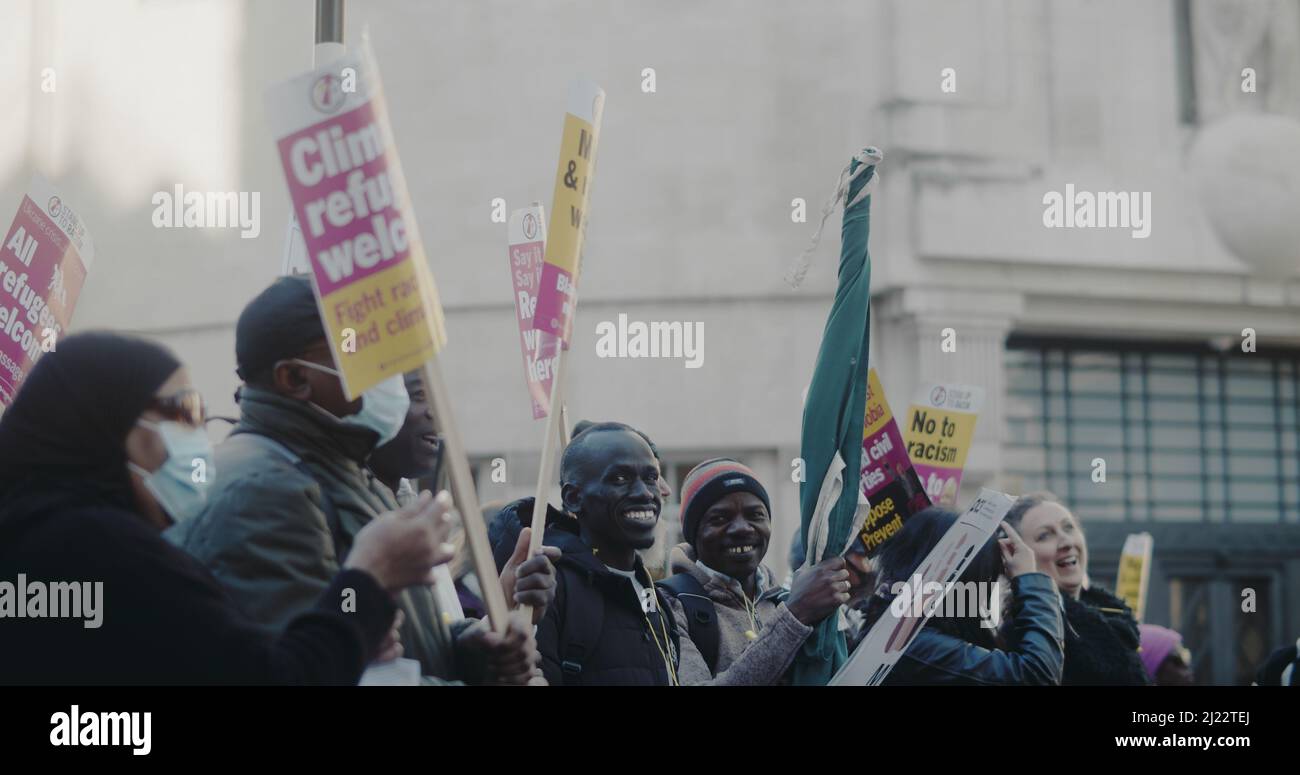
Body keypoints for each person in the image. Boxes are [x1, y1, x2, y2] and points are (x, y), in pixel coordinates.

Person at [0, 331, 452, 685]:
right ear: (108, 424)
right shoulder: (101, 549)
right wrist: (368, 579)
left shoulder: (37, 536)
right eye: (182, 411)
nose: (198, 431)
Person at [171, 275, 548, 685]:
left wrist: (469, 650)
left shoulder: (344, 468)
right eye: (360, 352)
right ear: (295, 379)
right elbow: (311, 669)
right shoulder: (264, 491)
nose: (386, 374)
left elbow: (388, 643)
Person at [505, 422, 681, 685]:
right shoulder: (548, 590)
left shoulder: (654, 595)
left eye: (651, 478)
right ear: (574, 498)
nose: (645, 493)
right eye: (620, 479)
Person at [660, 458, 850, 684]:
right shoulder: (669, 608)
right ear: (693, 532)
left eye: (755, 515)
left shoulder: (781, 600)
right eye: (720, 518)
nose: (742, 528)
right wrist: (795, 616)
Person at [858, 507, 1064, 685]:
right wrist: (1030, 580)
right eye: (985, 579)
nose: (983, 597)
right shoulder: (913, 644)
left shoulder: (906, 630)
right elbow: (1037, 675)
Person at [1004, 492, 1149, 685]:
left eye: (1068, 528)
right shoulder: (1024, 633)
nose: (1067, 542)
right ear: (1016, 555)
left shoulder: (1116, 617)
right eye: (1044, 535)